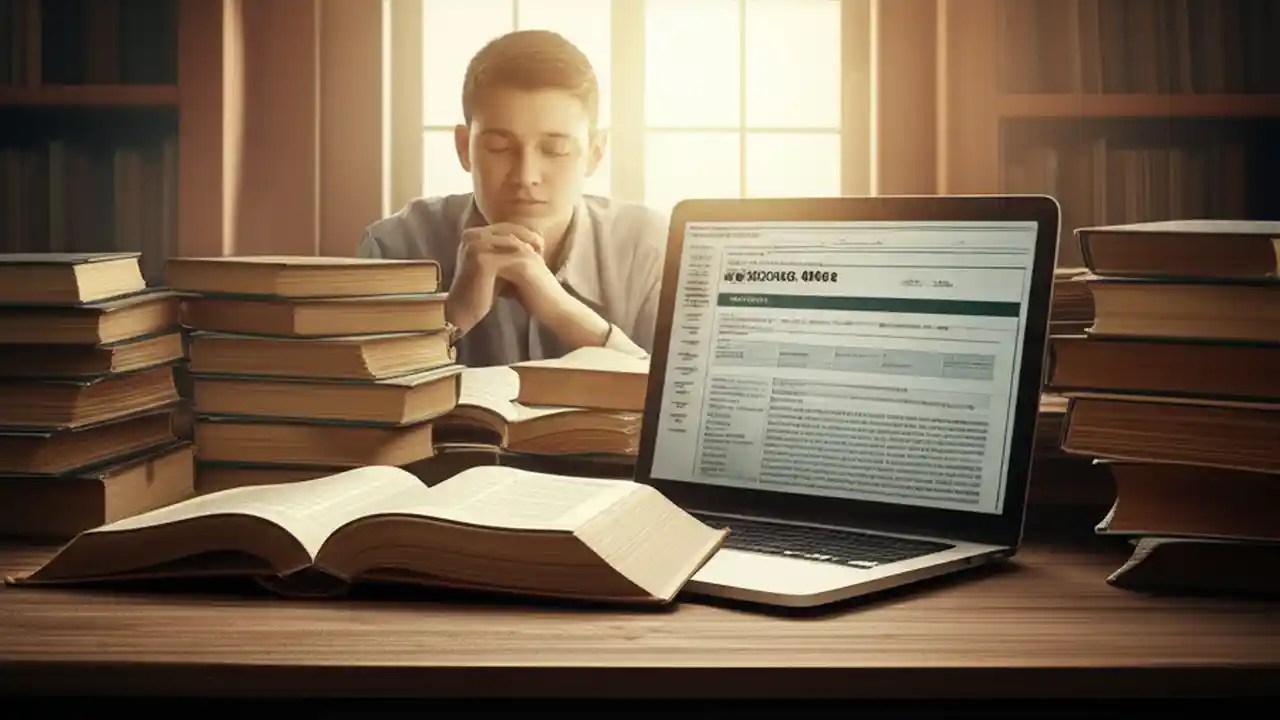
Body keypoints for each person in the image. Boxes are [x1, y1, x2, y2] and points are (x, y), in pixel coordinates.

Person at [357, 29, 667, 367]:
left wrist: (565, 312)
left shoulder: (650, 247)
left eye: (555, 149)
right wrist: (454, 315)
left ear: (595, 152)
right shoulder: (395, 247)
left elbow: (686, 401)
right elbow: (358, 401)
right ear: (464, 148)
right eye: (499, 147)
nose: (526, 175)